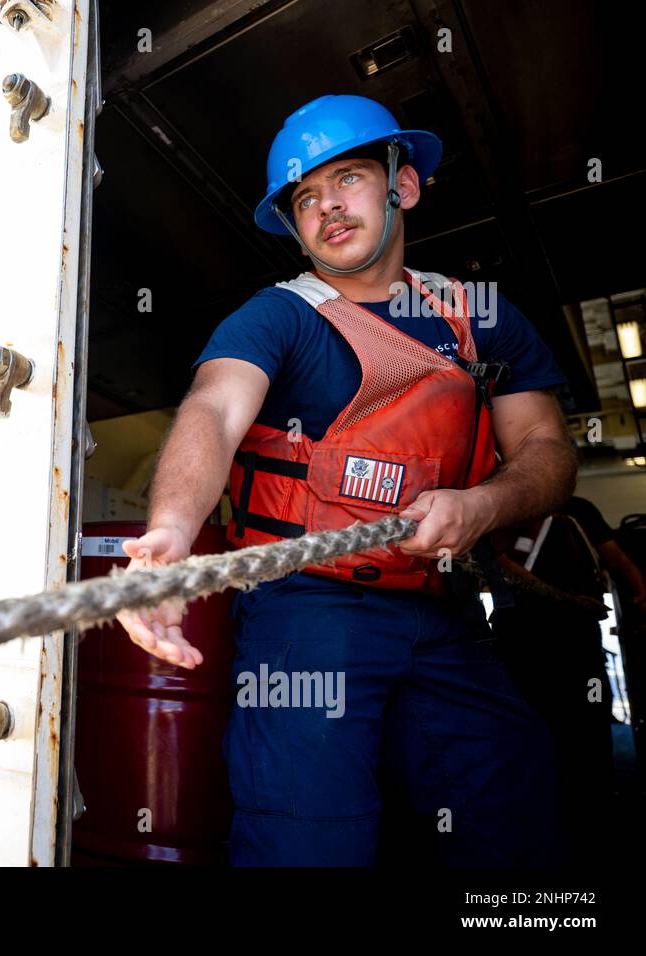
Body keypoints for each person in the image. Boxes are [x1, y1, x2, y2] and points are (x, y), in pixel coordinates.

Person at [114, 94, 576, 866]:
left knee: (515, 815)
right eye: (304, 197)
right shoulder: (278, 317)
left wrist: (485, 503)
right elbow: (215, 409)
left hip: (445, 612)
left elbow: (547, 447)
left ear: (404, 186)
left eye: (349, 178)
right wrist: (171, 533)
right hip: (307, 616)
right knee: (307, 840)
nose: (326, 206)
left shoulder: (480, 317)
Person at [489, 495, 646, 864]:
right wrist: (564, 600)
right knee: (534, 726)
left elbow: (618, 560)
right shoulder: (505, 504)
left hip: (577, 638)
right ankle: (545, 812)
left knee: (589, 723)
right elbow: (498, 563)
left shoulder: (579, 510)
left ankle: (600, 809)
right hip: (525, 638)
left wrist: (639, 592)